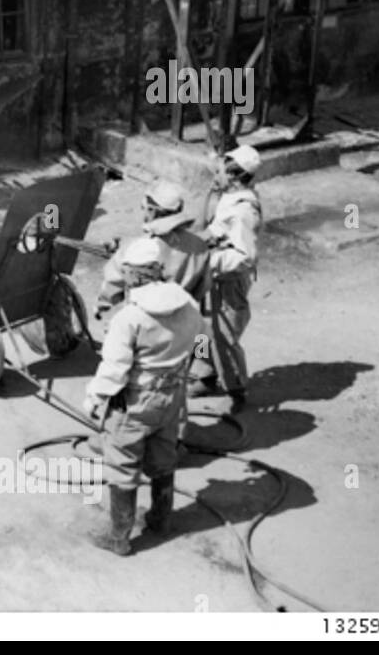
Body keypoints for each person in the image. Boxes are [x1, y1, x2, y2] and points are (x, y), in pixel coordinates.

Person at [83, 238, 205, 556]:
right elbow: (198, 339)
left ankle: (119, 538)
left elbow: (115, 369)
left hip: (135, 404)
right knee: (163, 458)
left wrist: (94, 400)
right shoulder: (188, 304)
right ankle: (160, 519)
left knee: (123, 466)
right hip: (172, 397)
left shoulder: (129, 317)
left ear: (135, 276)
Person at [189, 145, 262, 410]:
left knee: (225, 337)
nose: (214, 175)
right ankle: (204, 375)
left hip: (229, 281)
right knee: (200, 330)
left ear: (233, 175)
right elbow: (217, 227)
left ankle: (237, 389)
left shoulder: (244, 210)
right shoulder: (228, 197)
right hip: (213, 276)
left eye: (219, 171)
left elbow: (245, 257)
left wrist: (208, 260)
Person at [95, 179, 212, 317]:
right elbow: (202, 288)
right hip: (182, 316)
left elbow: (114, 283)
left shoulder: (139, 247)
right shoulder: (200, 247)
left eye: (144, 208)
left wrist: (101, 306)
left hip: (145, 318)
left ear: (152, 210)